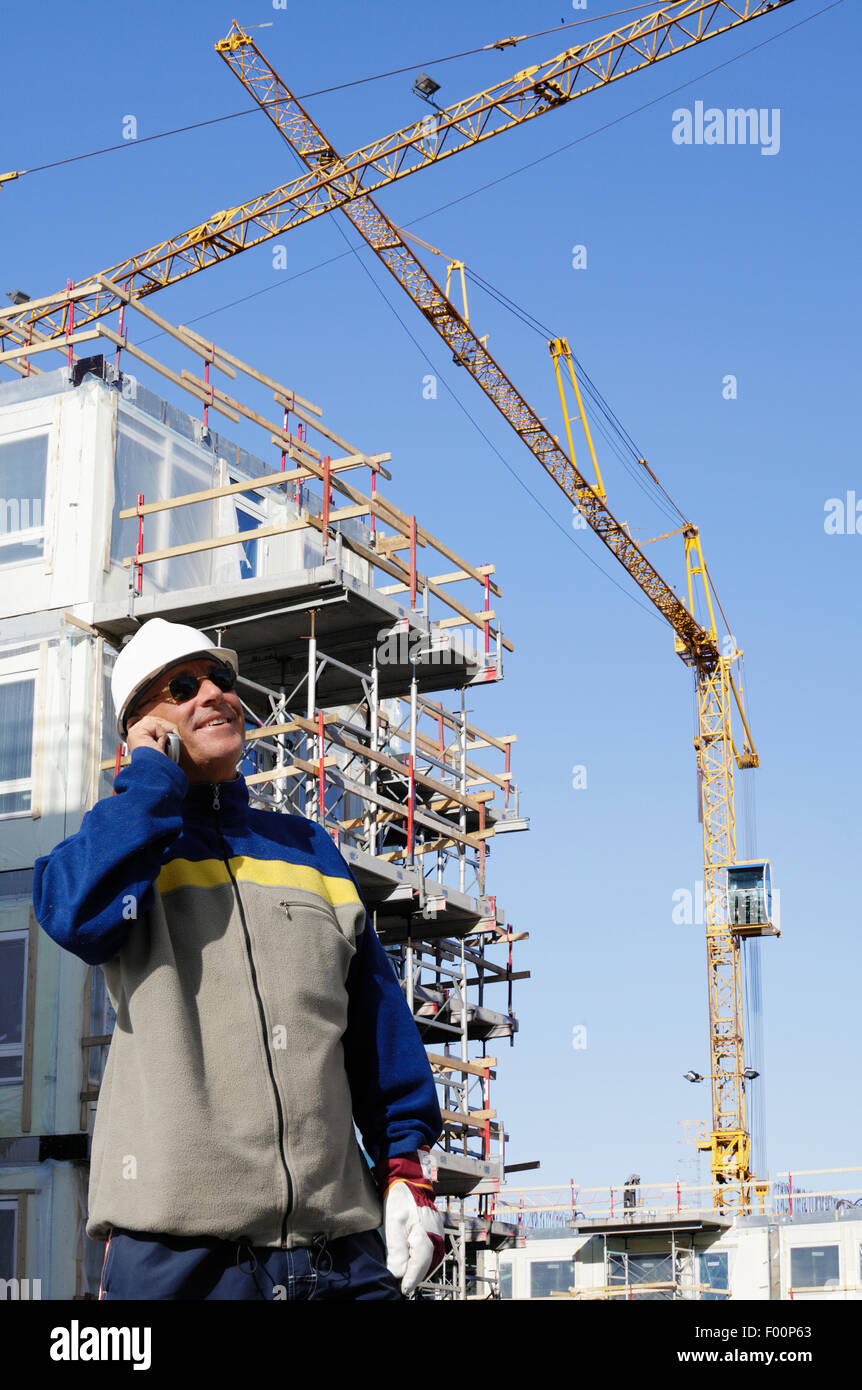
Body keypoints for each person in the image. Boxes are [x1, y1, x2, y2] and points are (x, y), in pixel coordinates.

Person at [33, 618, 445, 1301]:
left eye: (222, 680)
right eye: (184, 686)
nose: (216, 695)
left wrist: (406, 1168)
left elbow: (376, 1023)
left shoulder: (308, 849)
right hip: (178, 1260)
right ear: (141, 730)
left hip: (336, 1254)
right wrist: (149, 785)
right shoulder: (125, 847)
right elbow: (77, 914)